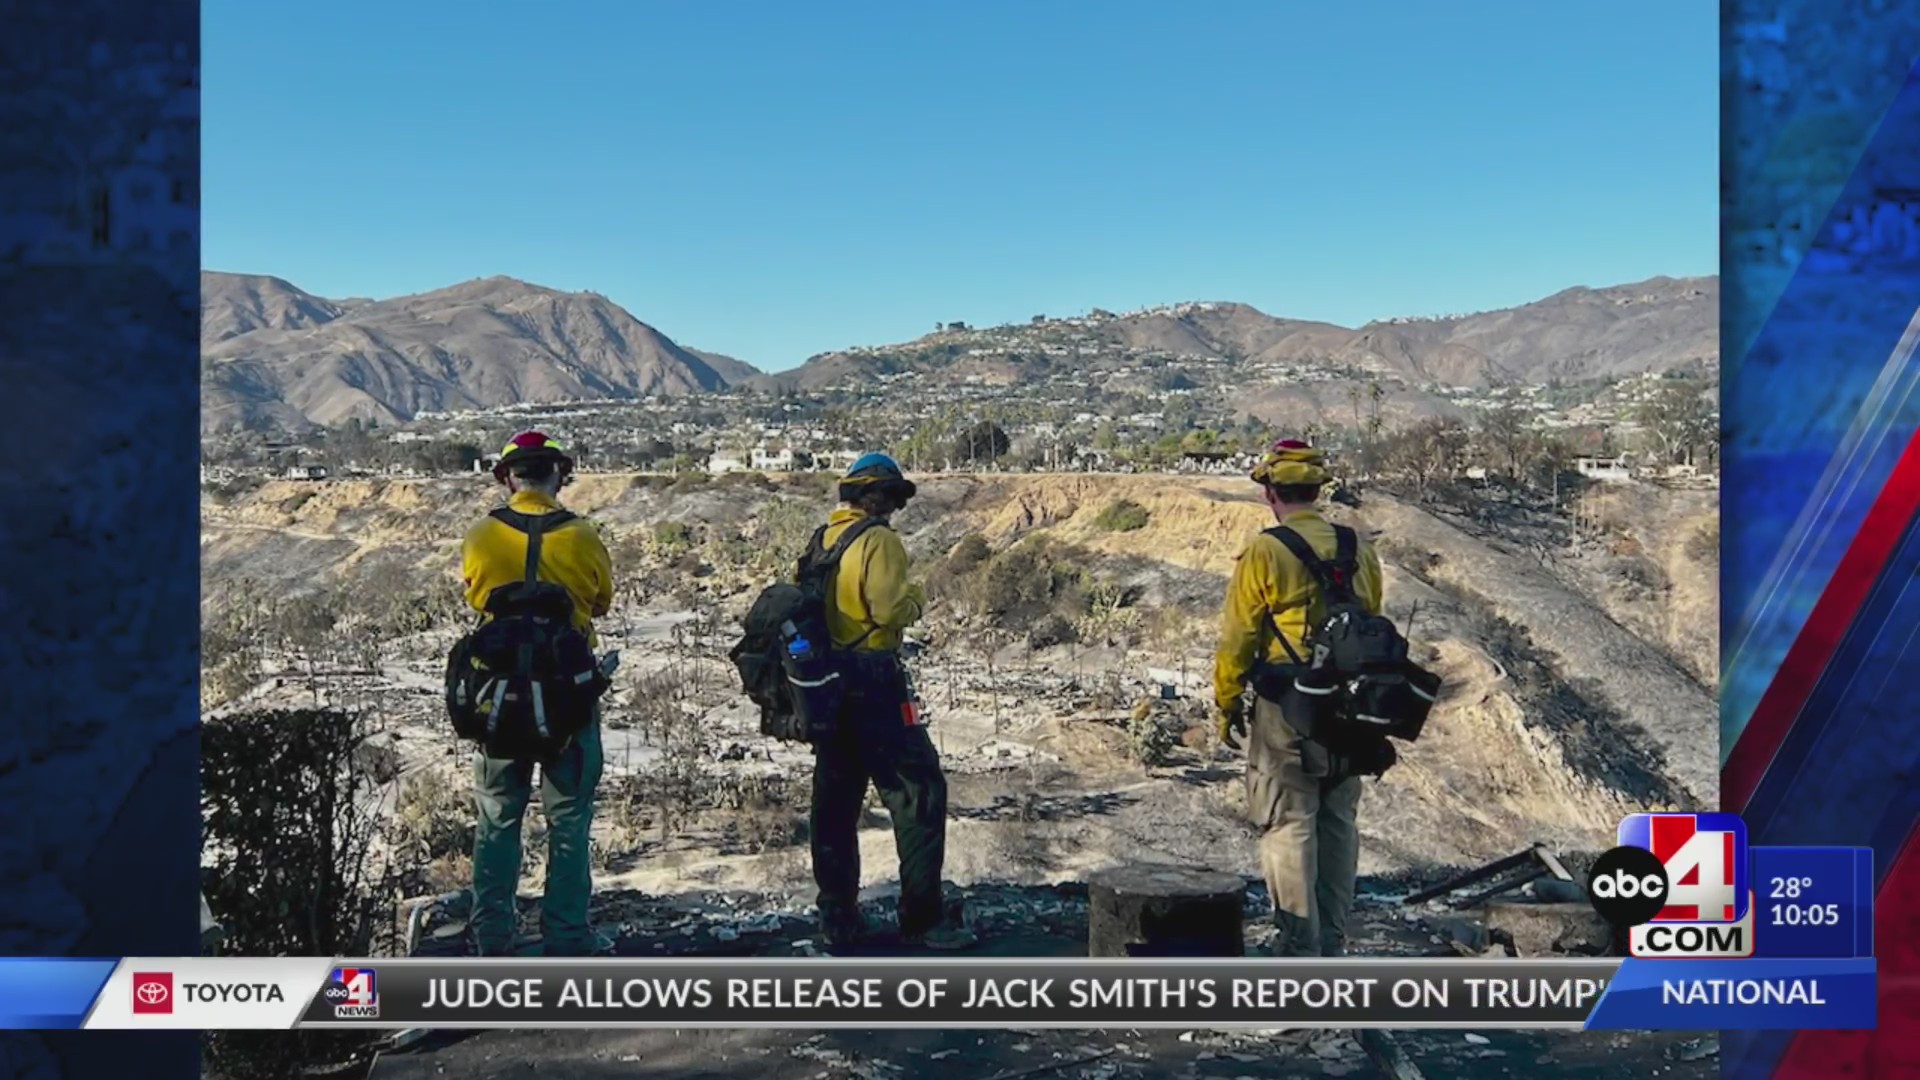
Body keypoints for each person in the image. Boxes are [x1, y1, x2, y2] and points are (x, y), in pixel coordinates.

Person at [1213, 438, 1384, 958]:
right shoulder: (1357, 547)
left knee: (1288, 825)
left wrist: (1227, 701)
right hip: (1349, 708)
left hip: (1285, 708)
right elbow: (1372, 617)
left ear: (1271, 493)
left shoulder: (1266, 550)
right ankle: (1332, 947)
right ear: (1317, 489)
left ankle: (1297, 952)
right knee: (1337, 824)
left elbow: (1239, 637)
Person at [808, 452, 974, 950]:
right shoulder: (878, 540)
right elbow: (887, 610)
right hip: (875, 682)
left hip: (828, 685)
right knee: (919, 794)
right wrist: (916, 599)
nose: (897, 509)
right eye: (894, 498)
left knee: (835, 805)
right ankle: (922, 918)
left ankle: (837, 919)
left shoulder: (823, 539)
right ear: (875, 496)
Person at [460, 430, 614, 957]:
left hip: (497, 695)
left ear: (506, 477)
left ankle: (492, 937)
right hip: (567, 695)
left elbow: (476, 595)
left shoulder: (480, 535)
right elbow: (600, 603)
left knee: (499, 815)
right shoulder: (582, 534)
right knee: (568, 816)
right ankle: (568, 935)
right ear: (558, 476)